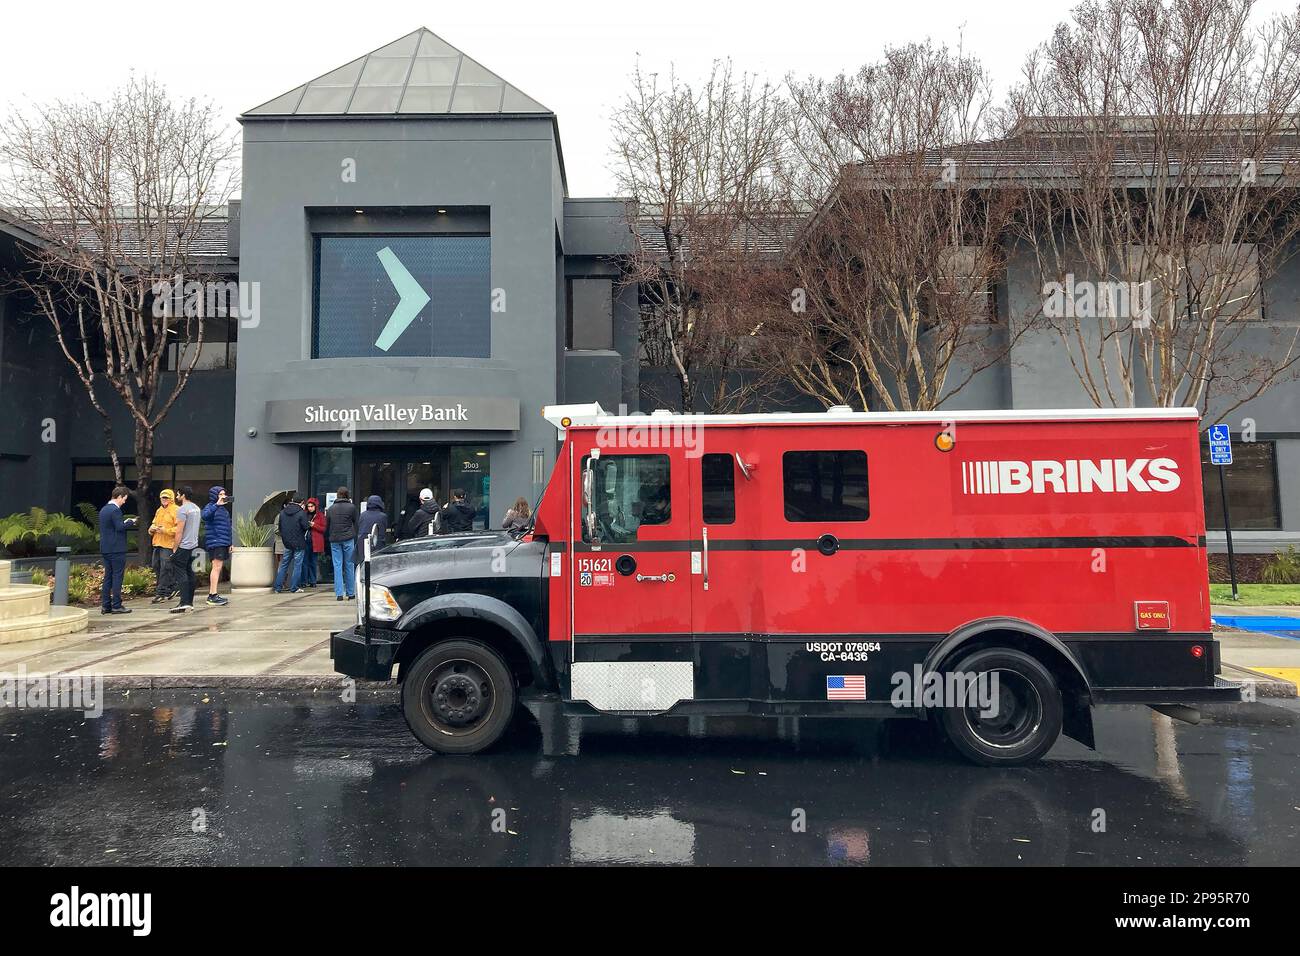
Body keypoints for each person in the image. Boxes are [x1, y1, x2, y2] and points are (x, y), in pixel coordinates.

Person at [98, 486, 138, 615]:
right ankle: (116, 605)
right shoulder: (115, 511)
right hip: (117, 549)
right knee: (117, 577)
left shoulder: (104, 509)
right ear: (119, 497)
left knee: (108, 577)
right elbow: (120, 527)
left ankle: (105, 606)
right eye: (124, 499)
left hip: (106, 548)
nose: (124, 502)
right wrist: (130, 522)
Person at [169, 486, 201, 613]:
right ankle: (190, 602)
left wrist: (175, 548)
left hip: (184, 545)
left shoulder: (182, 510)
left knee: (180, 572)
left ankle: (184, 602)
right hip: (194, 545)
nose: (177, 496)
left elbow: (179, 531)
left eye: (178, 494)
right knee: (190, 572)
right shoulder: (196, 508)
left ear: (183, 495)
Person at [200, 485, 233, 606]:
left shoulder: (224, 510)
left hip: (223, 542)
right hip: (215, 541)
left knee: (219, 567)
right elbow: (204, 516)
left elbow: (228, 527)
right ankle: (212, 595)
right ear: (215, 496)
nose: (223, 496)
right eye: (220, 494)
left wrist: (230, 543)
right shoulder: (211, 507)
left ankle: (214, 594)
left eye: (224, 494)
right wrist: (216, 505)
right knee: (216, 567)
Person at [324, 487, 358, 601]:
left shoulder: (330, 509)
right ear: (347, 495)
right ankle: (351, 592)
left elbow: (327, 526)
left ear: (337, 495)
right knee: (349, 565)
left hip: (334, 539)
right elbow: (355, 522)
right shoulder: (351, 507)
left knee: (337, 566)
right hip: (348, 538)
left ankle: (339, 594)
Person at [273, 494, 311, 594]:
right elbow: (306, 526)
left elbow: (280, 528)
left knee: (284, 565)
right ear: (302, 502)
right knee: (297, 566)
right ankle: (294, 587)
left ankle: (277, 587)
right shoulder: (301, 513)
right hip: (299, 543)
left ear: (292, 500)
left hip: (287, 543)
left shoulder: (282, 513)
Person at [148, 488, 179, 603]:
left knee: (165, 568)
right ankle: (173, 587)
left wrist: (166, 530)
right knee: (156, 566)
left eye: (166, 497)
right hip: (157, 542)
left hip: (168, 544)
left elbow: (179, 528)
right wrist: (151, 529)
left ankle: (160, 593)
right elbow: (153, 524)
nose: (164, 499)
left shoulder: (176, 510)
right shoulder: (159, 510)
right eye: (162, 497)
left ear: (171, 498)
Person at [357, 494, 388, 559]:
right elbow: (383, 532)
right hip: (377, 544)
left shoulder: (363, 515)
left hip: (362, 544)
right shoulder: (383, 516)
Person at [302, 497, 324, 588]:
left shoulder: (320, 515)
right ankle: (304, 581)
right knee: (304, 562)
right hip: (305, 541)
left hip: (315, 542)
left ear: (315, 506)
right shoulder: (304, 514)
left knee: (313, 562)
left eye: (312, 506)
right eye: (309, 506)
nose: (310, 508)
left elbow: (323, 528)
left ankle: (313, 581)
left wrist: (314, 525)